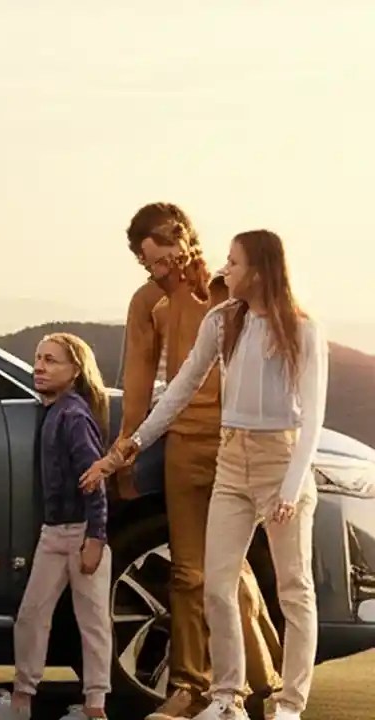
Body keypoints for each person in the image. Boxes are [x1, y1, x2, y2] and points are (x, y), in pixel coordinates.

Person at [82, 230, 327, 720]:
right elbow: (179, 389)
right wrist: (133, 443)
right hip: (232, 459)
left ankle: (291, 704)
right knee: (215, 584)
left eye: (234, 263)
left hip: (282, 458)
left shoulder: (301, 328)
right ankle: (226, 697)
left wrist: (293, 484)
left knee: (294, 588)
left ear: (259, 270)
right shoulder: (222, 322)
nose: (225, 270)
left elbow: (314, 414)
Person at [115, 204, 282, 720]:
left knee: (229, 573)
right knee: (189, 573)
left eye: (157, 259)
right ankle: (190, 686)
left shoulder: (227, 288)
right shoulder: (147, 302)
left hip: (238, 442)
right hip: (183, 443)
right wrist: (127, 446)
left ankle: (267, 684)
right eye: (147, 265)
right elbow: (140, 377)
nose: (154, 270)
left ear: (178, 237)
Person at [0, 333, 113, 720]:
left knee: (93, 621)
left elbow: (93, 478)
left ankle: (95, 707)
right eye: (38, 359)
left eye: (51, 361)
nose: (39, 367)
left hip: (80, 531)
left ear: (75, 371)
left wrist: (96, 537)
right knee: (32, 615)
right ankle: (21, 699)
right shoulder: (52, 412)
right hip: (54, 534)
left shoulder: (73, 416)